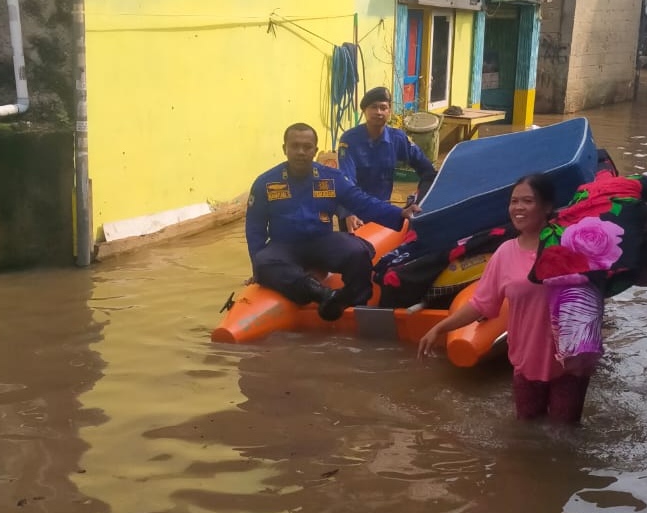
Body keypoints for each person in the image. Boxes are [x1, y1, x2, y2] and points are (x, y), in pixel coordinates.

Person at [416, 174, 601, 423]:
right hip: (526, 362)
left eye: (528, 201)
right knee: (527, 432)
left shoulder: (570, 245)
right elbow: (480, 304)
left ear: (547, 206)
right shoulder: (504, 253)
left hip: (570, 363)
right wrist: (440, 328)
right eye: (514, 201)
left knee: (563, 437)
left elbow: (598, 290)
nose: (519, 208)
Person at [246, 123, 421, 321]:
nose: (301, 152)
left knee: (358, 252)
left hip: (322, 241)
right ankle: (322, 294)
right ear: (284, 148)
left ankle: (355, 301)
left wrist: (399, 214)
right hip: (284, 246)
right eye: (295, 146)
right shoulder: (265, 183)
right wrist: (257, 269)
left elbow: (362, 202)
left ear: (315, 150)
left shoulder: (331, 178)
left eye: (307, 146)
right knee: (263, 263)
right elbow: (255, 228)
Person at [337, 86, 437, 231]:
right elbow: (346, 181)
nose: (378, 112)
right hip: (355, 209)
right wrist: (349, 212)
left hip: (383, 211)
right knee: (353, 250)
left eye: (383, 108)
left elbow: (427, 171)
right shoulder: (350, 140)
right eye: (373, 107)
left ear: (389, 111)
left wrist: (420, 200)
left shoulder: (398, 138)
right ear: (364, 111)